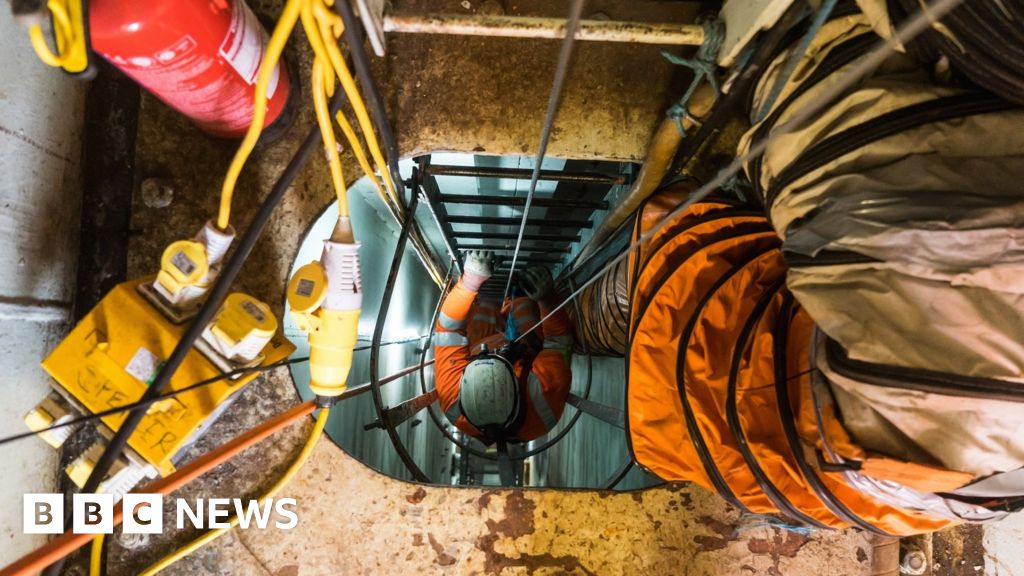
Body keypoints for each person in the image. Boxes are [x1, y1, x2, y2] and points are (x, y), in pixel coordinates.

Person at [434, 250, 573, 444]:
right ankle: (521, 294)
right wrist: (547, 299)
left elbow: (448, 329)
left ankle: (496, 301)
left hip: (479, 344)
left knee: (480, 311)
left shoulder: (452, 396)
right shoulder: (542, 400)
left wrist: (470, 282)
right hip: (526, 353)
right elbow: (559, 342)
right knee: (525, 311)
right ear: (517, 389)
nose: (500, 354)